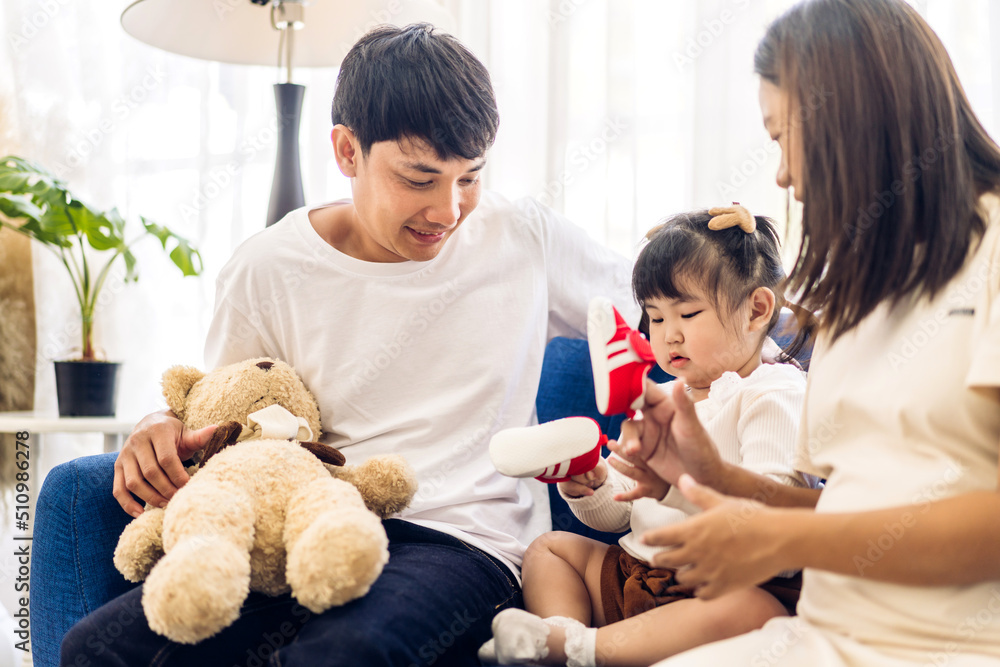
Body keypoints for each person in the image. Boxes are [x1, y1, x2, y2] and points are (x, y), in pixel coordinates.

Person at [58, 24, 639, 667]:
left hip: (463, 542)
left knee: (343, 654)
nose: (449, 210)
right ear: (347, 150)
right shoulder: (269, 269)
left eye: (468, 178)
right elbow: (229, 413)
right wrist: (160, 422)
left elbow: (661, 298)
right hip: (296, 525)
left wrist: (739, 263)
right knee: (95, 651)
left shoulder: (523, 238)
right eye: (419, 179)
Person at [615, 1, 1000, 665]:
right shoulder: (868, 284)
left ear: (854, 119)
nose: (783, 175)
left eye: (782, 136)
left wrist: (784, 541)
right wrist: (715, 474)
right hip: (820, 637)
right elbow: (851, 501)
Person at [479, 208, 810, 667]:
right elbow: (622, 513)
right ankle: (563, 629)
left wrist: (675, 486)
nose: (668, 335)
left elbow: (769, 516)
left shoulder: (774, 393)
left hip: (721, 586)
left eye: (688, 314)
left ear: (756, 309)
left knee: (756, 613)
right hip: (635, 575)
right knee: (550, 549)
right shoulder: (664, 396)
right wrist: (595, 486)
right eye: (654, 318)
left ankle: (574, 649)